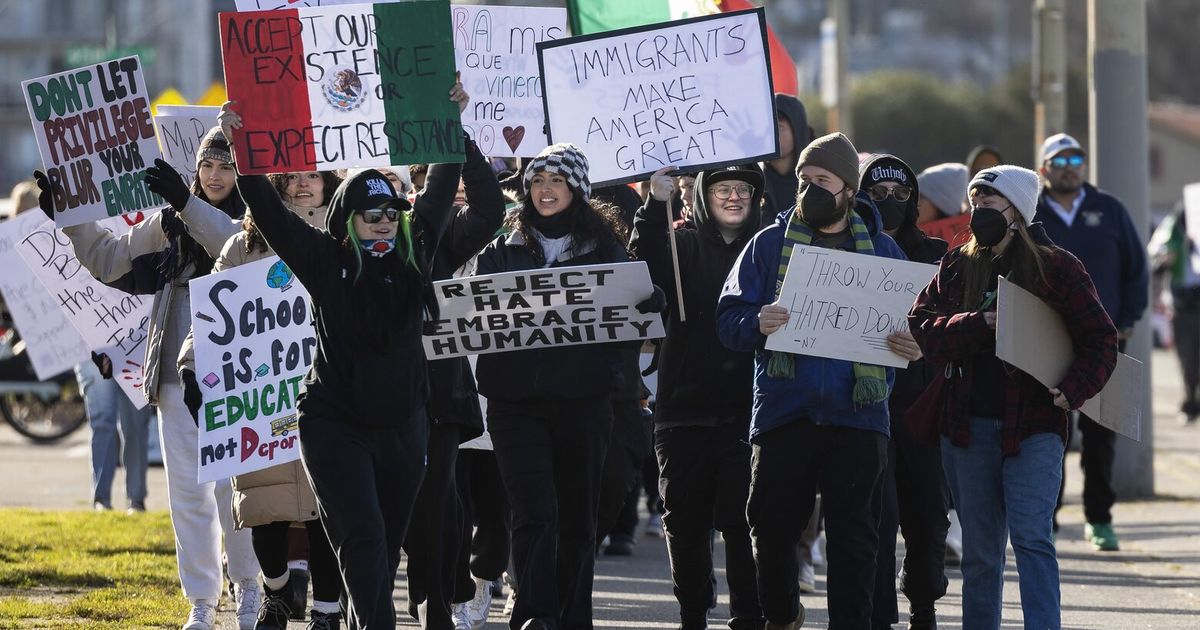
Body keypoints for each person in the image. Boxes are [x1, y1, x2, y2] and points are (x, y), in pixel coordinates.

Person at [218, 78, 466, 628]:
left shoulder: (415, 255)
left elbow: (439, 190)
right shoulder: (324, 260)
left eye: (391, 213)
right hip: (335, 427)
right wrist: (242, 148)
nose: (384, 221)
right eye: (371, 214)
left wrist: (448, 121)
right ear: (348, 220)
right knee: (364, 540)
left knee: (383, 551)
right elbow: (270, 212)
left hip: (404, 427)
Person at [36, 127, 260, 630]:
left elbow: (233, 246)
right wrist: (70, 217)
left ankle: (249, 585)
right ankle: (201, 599)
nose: (216, 176)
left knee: (237, 490)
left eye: (226, 167)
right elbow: (110, 258)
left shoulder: (256, 218)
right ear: (196, 169)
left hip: (240, 376)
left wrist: (186, 203)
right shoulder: (170, 220)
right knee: (188, 493)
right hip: (178, 378)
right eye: (208, 166)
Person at [908, 165, 1118, 630]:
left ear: (1018, 210)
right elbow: (922, 327)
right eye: (974, 202)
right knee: (981, 552)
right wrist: (978, 323)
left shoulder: (1058, 268)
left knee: (1032, 540)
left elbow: (1101, 341)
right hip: (967, 429)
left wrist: (1074, 390)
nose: (978, 210)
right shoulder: (958, 264)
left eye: (989, 201)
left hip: (1035, 428)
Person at [716, 132, 905, 630]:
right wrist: (757, 321)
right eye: (804, 180)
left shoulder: (884, 252)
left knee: (855, 544)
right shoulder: (767, 244)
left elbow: (914, 326)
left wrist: (914, 344)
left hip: (858, 417)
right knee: (771, 532)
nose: (809, 190)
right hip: (785, 413)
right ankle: (783, 615)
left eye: (822, 180)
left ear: (849, 190)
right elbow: (728, 320)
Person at [471, 142, 663, 630]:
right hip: (515, 403)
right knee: (533, 513)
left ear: (576, 189)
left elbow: (629, 314)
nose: (545, 189)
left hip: (584, 402)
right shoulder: (502, 249)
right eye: (537, 181)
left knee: (577, 518)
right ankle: (536, 615)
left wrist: (647, 303)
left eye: (556, 180)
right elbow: (477, 313)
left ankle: (571, 617)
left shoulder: (605, 248)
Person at [178, 168, 345, 629]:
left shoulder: (345, 237)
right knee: (263, 509)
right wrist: (191, 364)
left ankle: (326, 611)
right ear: (275, 184)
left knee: (326, 513)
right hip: (260, 404)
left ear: (329, 183)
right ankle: (275, 593)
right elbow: (211, 316)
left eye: (313, 176)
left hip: (329, 399)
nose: (303, 184)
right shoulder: (242, 246)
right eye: (292, 177)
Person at [631, 163, 766, 630]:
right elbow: (644, 260)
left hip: (749, 412)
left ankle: (748, 615)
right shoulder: (681, 245)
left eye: (743, 189)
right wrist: (655, 203)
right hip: (682, 409)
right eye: (723, 188)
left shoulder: (769, 250)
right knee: (685, 522)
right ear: (704, 197)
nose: (734, 197)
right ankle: (692, 613)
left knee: (744, 523)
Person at [403, 129, 505, 630]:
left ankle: (443, 600)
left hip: (450, 396)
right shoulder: (395, 231)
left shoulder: (451, 237)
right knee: (411, 508)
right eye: (443, 180)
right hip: (389, 398)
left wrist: (457, 140)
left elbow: (489, 211)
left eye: (458, 179)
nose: (454, 188)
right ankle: (423, 592)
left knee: (450, 503)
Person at [1034, 133, 1148, 552]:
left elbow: (1136, 269)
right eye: (1060, 160)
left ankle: (1099, 518)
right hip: (1047, 342)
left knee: (1101, 433)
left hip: (1103, 342)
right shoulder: (1032, 211)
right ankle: (1047, 519)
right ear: (1044, 168)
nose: (1070, 167)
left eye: (1076, 159)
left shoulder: (1109, 209)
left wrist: (1127, 321)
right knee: (1050, 432)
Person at [858, 154, 949, 630]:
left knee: (929, 515)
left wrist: (925, 345)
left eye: (900, 194)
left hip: (923, 406)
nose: (889, 201)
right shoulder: (845, 250)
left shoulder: (938, 256)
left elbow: (956, 326)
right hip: (866, 404)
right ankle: (879, 615)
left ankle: (924, 605)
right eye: (877, 194)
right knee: (878, 516)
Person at [80, 351, 153, 514]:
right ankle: (101, 499)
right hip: (90, 349)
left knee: (135, 423)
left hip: (133, 347)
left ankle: (136, 500)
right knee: (102, 422)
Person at [1148, 203, 1200, 424]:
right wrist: (1165, 259)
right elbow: (1156, 261)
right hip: (1183, 304)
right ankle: (1190, 402)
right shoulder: (1172, 234)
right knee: (1188, 358)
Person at [759, 94, 814, 227]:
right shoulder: (753, 184)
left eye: (778, 126)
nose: (770, 133)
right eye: (765, 126)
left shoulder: (818, 182)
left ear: (797, 130)